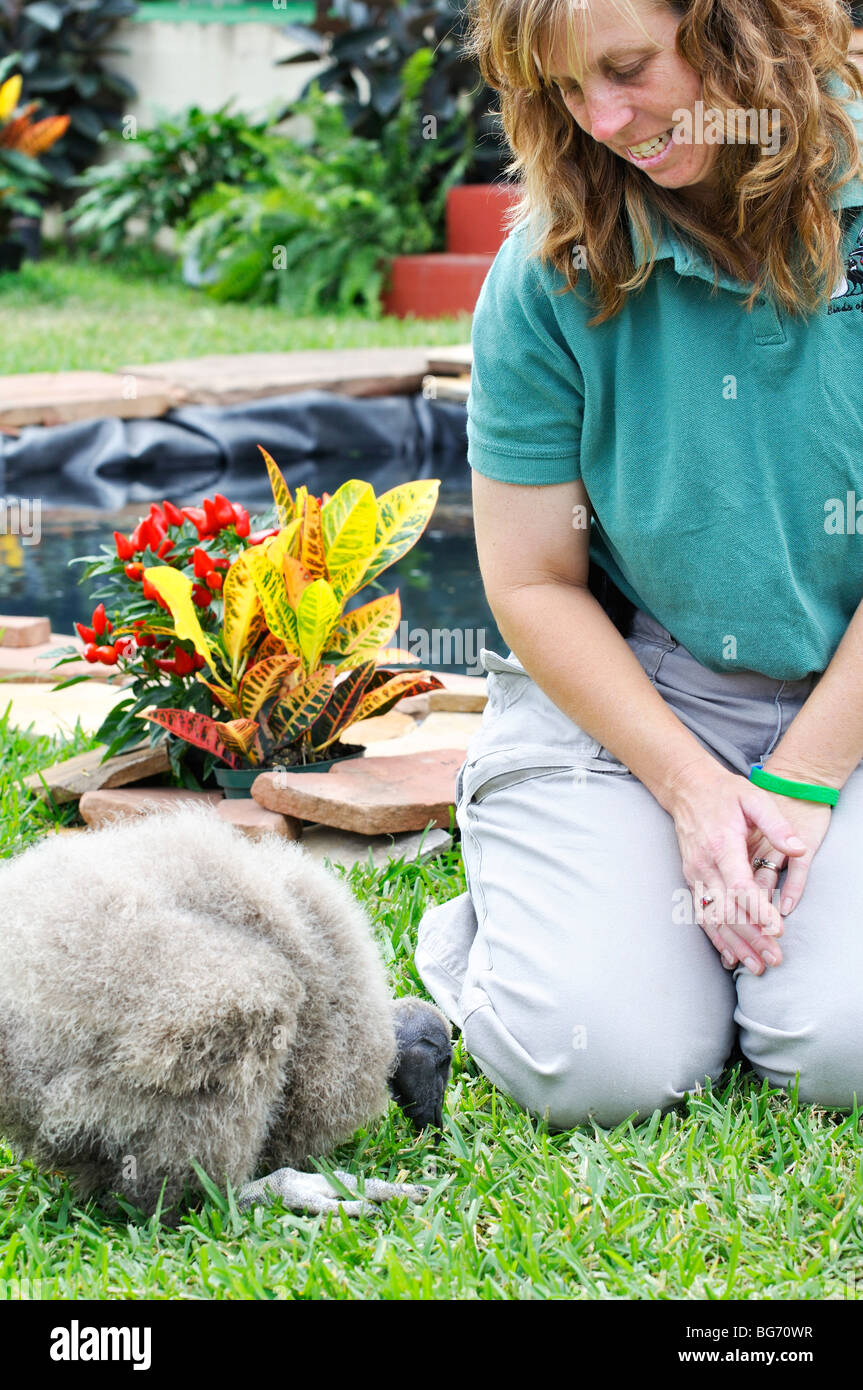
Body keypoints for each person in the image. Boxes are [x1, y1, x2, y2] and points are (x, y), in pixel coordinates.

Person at [415, 0, 863, 1130]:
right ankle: (514, 918)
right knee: (600, 1065)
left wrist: (803, 780)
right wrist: (690, 788)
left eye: (626, 68)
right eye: (568, 89)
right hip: (643, 693)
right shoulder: (546, 268)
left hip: (846, 696)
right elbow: (532, 583)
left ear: (739, 30)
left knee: (835, 1050)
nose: (605, 121)